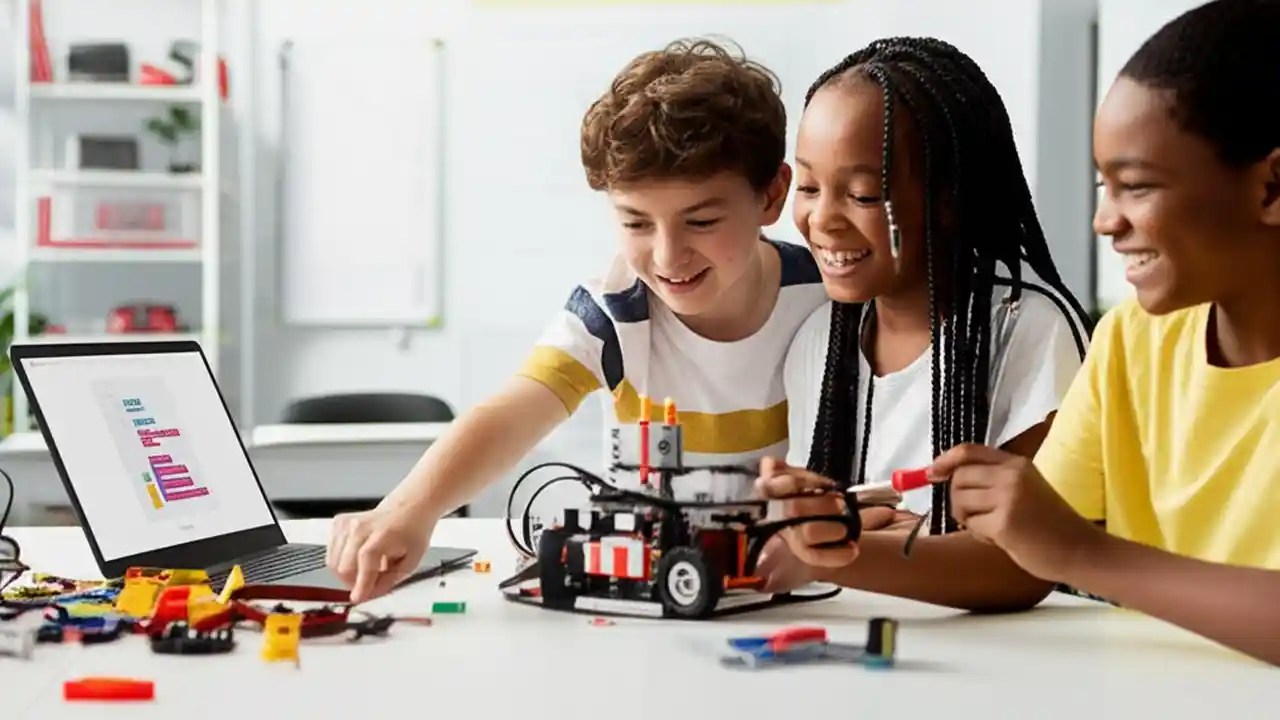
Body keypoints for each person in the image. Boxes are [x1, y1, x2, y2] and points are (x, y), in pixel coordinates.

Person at [765, 0, 1280, 666]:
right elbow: (1020, 553)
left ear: (1271, 188)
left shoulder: (1045, 328)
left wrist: (1080, 552)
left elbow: (1050, 553)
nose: (1104, 221)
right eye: (1104, 185)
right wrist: (834, 541)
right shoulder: (1133, 343)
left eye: (1138, 186)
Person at [326, 38, 828, 603]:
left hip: (796, 598)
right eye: (636, 224)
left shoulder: (826, 298)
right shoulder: (613, 311)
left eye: (702, 220)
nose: (667, 257)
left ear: (772, 195)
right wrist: (407, 511)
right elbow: (512, 410)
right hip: (652, 598)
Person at [752, 36, 1093, 602]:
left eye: (861, 195)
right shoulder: (820, 340)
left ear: (950, 199)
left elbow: (1023, 564)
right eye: (809, 187)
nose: (822, 219)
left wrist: (832, 551)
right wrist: (860, 535)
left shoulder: (1025, 329)